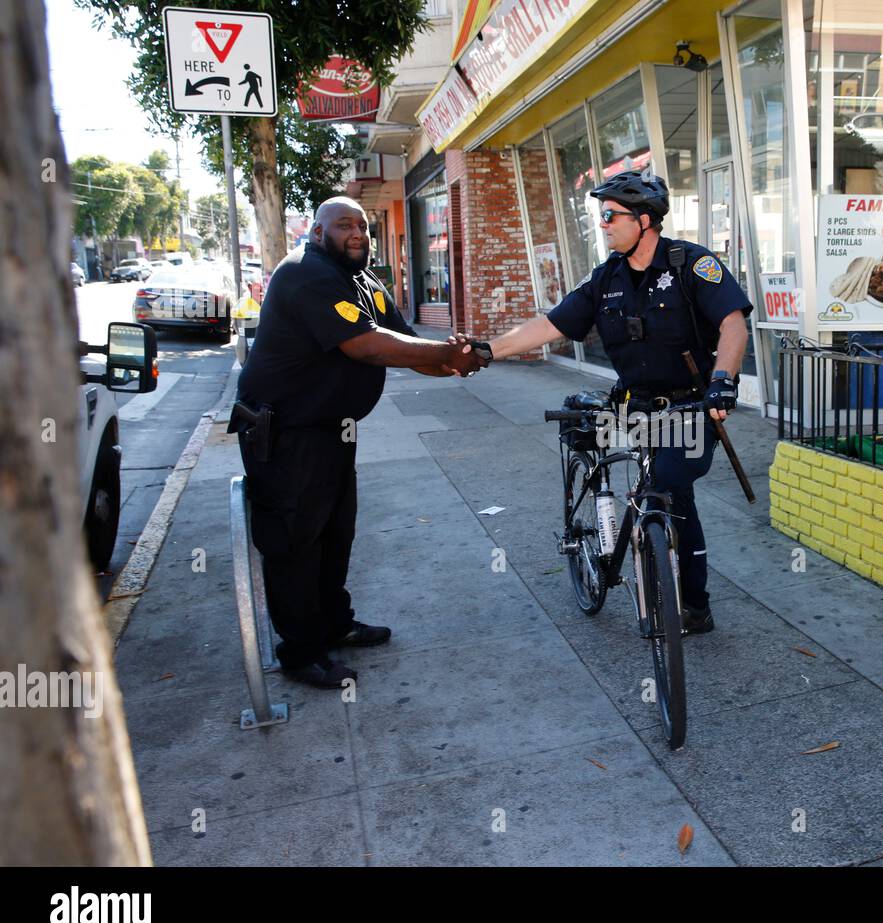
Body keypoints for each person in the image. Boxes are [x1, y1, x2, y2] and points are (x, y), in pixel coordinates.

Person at [231, 196, 487, 688]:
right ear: (317, 230)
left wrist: (456, 361)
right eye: (344, 226)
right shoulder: (305, 272)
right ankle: (301, 652)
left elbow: (403, 346)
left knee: (335, 534)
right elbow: (365, 345)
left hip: (331, 430)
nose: (357, 235)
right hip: (285, 432)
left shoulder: (363, 282)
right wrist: (449, 352)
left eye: (363, 228)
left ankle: (334, 624)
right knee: (294, 541)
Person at [482, 171, 752, 634]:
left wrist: (723, 380)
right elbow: (550, 326)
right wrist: (487, 351)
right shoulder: (604, 278)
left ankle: (695, 604)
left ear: (644, 221)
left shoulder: (692, 265)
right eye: (600, 216)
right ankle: (601, 538)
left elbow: (732, 324)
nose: (603, 224)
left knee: (668, 486)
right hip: (636, 409)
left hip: (690, 409)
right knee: (632, 469)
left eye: (610, 215)